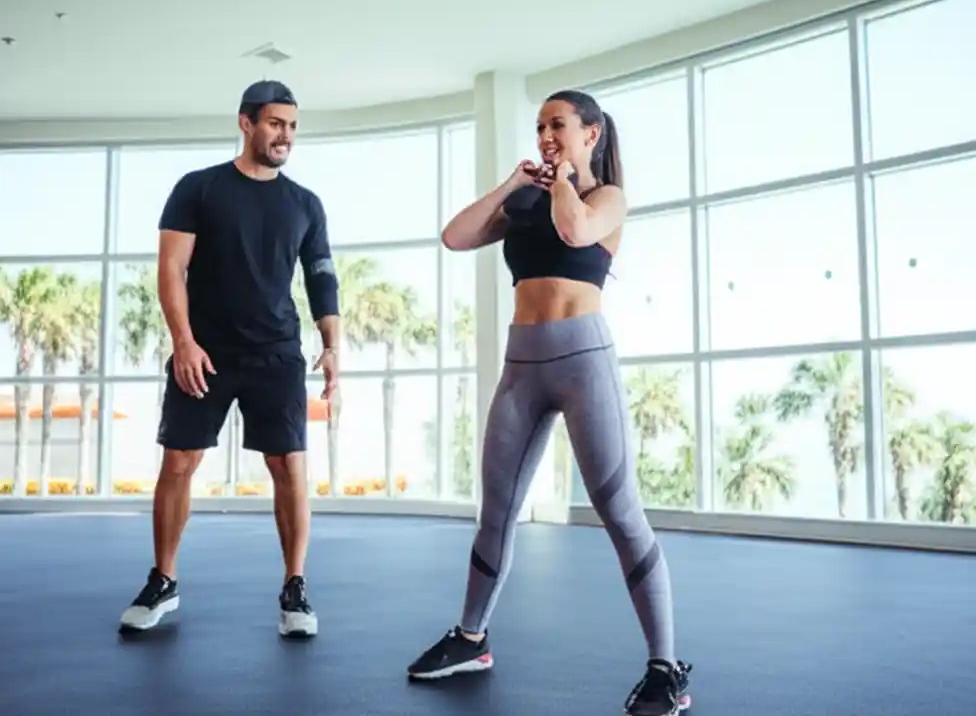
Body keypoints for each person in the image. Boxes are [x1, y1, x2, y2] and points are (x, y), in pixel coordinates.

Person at [404, 90, 692, 715]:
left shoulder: (606, 199)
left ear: (591, 134)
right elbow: (455, 236)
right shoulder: (529, 198)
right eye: (539, 127)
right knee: (497, 511)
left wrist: (561, 178)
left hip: (584, 361)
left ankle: (666, 670)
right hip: (521, 367)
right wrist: (514, 181)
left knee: (620, 513)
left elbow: (574, 229)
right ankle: (471, 638)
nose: (545, 135)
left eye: (557, 125)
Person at [118, 80, 341, 639]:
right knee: (179, 463)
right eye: (274, 123)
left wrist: (333, 345)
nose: (284, 135)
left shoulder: (305, 204)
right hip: (206, 351)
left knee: (288, 466)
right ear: (246, 123)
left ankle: (295, 586)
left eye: (291, 125)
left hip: (276, 354)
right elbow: (171, 270)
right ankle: (163, 580)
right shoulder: (198, 188)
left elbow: (321, 279)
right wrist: (183, 342)